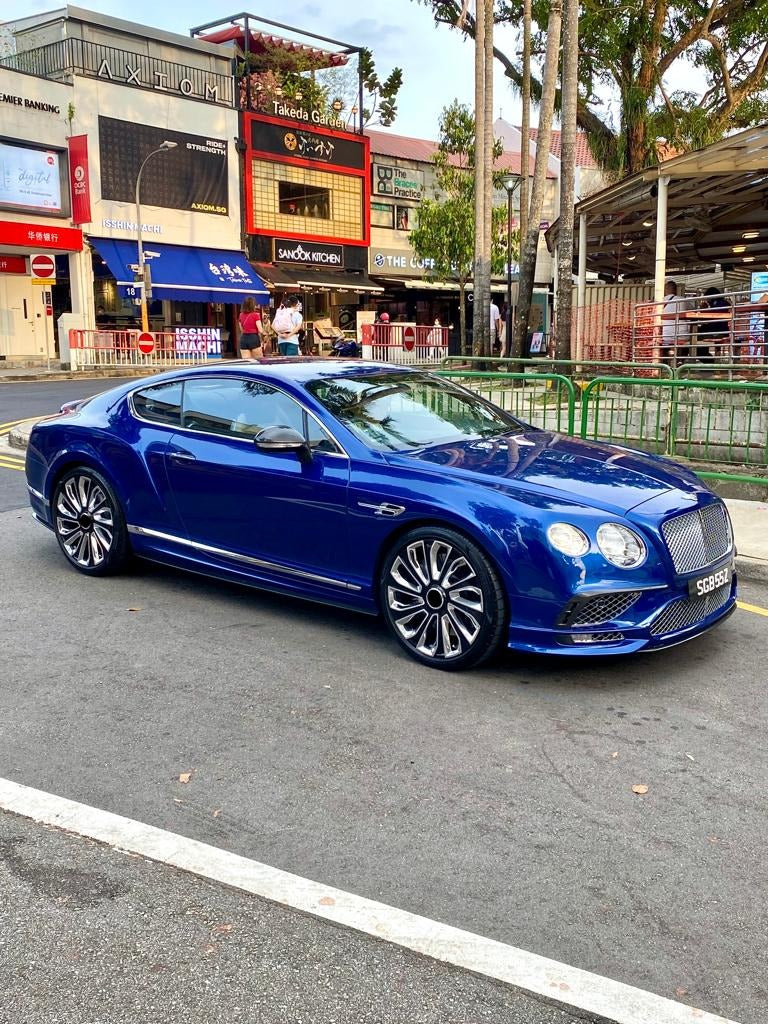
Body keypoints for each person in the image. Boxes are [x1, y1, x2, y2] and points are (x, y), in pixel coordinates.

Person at [696, 288, 730, 363]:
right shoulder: (722, 303)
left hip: (717, 331)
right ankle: (706, 358)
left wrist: (704, 310)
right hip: (719, 330)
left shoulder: (720, 304)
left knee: (695, 336)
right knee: (698, 332)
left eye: (708, 298)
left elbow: (713, 316)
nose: (707, 301)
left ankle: (707, 360)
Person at [661, 280, 691, 363]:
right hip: (683, 335)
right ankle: (680, 361)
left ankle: (666, 363)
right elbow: (693, 310)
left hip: (666, 335)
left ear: (666, 289)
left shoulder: (661, 301)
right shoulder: (683, 300)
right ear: (676, 290)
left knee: (662, 343)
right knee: (685, 344)